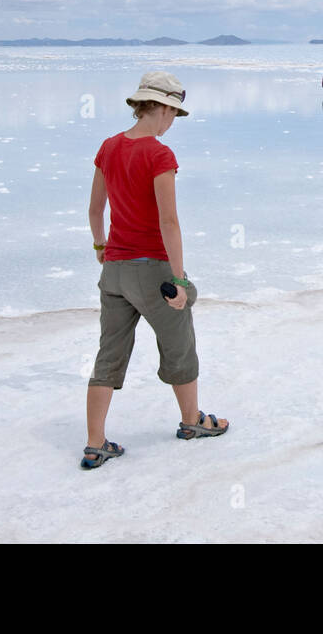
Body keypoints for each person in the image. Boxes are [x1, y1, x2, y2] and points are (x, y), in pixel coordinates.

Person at [82, 70, 228, 470]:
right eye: (173, 115)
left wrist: (100, 246)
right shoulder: (159, 155)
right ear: (161, 107)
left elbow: (96, 209)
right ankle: (191, 421)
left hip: (114, 271)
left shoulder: (109, 147)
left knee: (108, 356)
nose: (171, 124)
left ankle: (95, 443)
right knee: (179, 341)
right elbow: (169, 222)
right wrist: (179, 280)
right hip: (153, 270)